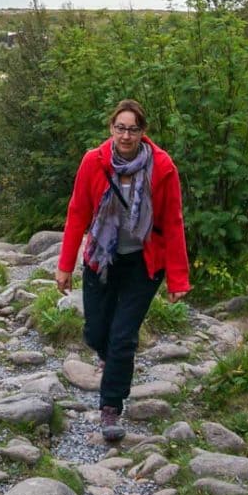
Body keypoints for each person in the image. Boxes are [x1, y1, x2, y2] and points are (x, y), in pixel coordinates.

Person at [55, 99, 189, 442]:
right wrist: (65, 266)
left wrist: (178, 279)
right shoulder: (93, 162)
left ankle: (111, 407)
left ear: (143, 132)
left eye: (133, 129)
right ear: (111, 129)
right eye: (120, 128)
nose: (126, 135)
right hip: (101, 258)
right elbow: (77, 213)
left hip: (144, 262)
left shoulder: (162, 166)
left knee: (123, 337)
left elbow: (172, 222)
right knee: (96, 332)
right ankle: (108, 358)